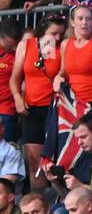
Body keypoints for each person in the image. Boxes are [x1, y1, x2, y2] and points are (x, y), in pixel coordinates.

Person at [9, 17, 66, 185]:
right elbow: (14, 78)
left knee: (56, 161)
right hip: (31, 108)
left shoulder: (63, 46)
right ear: (42, 31)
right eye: (53, 33)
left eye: (61, 34)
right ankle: (38, 202)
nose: (57, 38)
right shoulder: (25, 45)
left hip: (55, 108)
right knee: (35, 163)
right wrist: (18, 97)